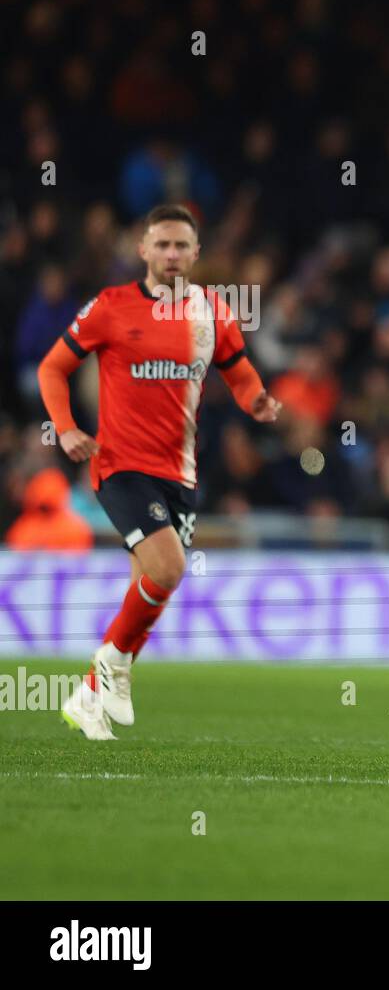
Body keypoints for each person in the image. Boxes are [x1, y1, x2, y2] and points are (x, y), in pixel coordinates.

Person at [38, 204, 281, 740]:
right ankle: (111, 667)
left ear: (196, 254)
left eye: (181, 247)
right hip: (120, 466)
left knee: (150, 586)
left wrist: (257, 401)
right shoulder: (110, 307)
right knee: (168, 569)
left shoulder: (212, 311)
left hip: (181, 474)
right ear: (143, 250)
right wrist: (66, 426)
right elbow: (52, 366)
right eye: (162, 245)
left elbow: (238, 373)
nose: (171, 255)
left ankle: (90, 696)